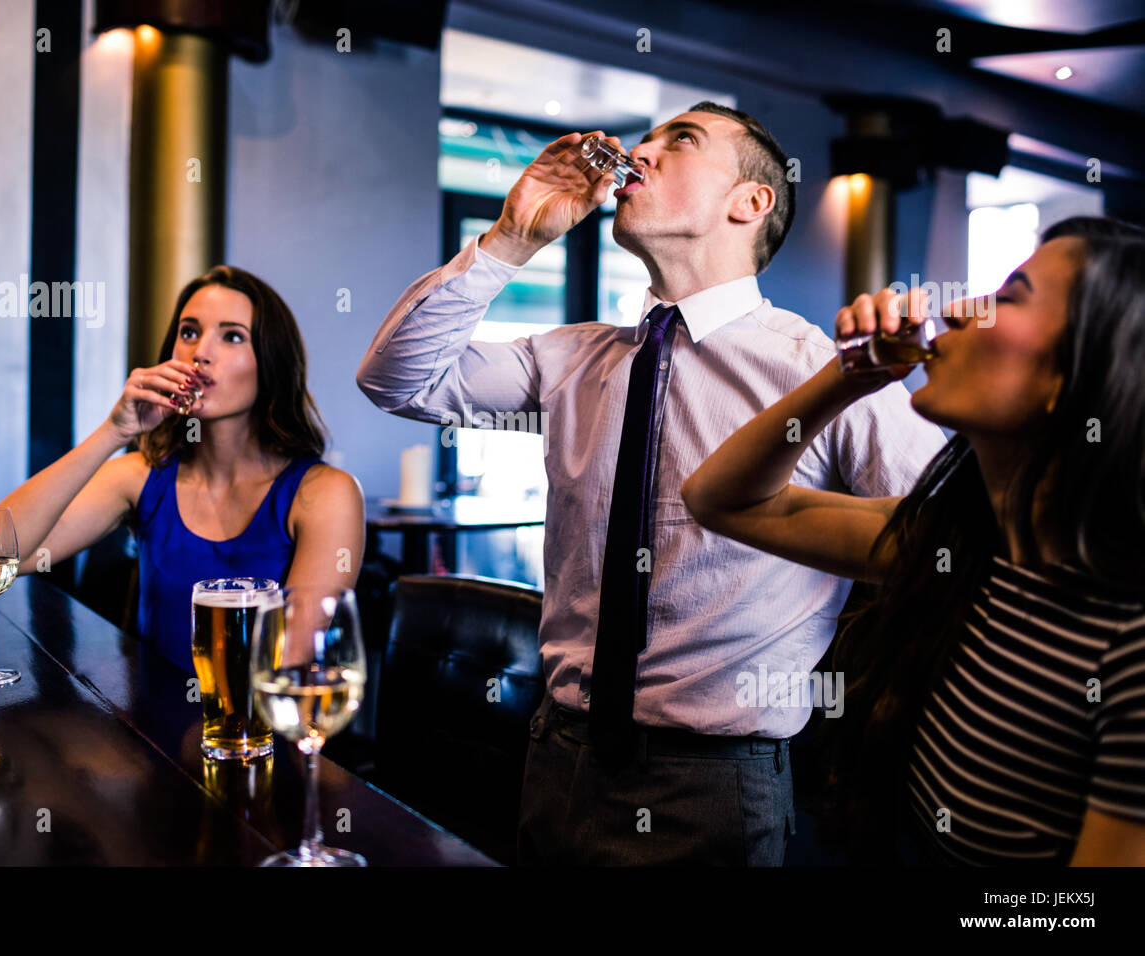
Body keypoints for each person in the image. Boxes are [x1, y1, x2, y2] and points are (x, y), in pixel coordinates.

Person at [357, 102, 945, 865]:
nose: (642, 151)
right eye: (650, 137)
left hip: (711, 779)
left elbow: (943, 540)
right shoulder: (575, 357)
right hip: (553, 752)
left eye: (682, 141)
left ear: (750, 201)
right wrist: (510, 242)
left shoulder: (818, 370)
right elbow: (396, 381)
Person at [681, 216, 1145, 865]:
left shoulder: (1127, 644)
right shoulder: (953, 549)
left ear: (1078, 376)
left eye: (1008, 297)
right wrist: (849, 376)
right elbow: (720, 500)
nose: (955, 309)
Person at [0, 265, 365, 673]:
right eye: (189, 332)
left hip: (255, 732)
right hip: (144, 733)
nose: (200, 352)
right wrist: (113, 432)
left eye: (232, 336)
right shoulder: (140, 476)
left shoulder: (324, 493)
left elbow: (286, 670)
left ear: (272, 363)